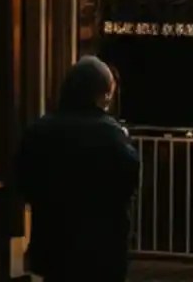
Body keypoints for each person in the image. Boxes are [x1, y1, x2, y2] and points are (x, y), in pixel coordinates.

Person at [18, 56, 139, 282]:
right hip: (102, 250)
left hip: (54, 246)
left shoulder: (39, 130)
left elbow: (25, 183)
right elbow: (129, 182)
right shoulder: (113, 135)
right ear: (102, 94)